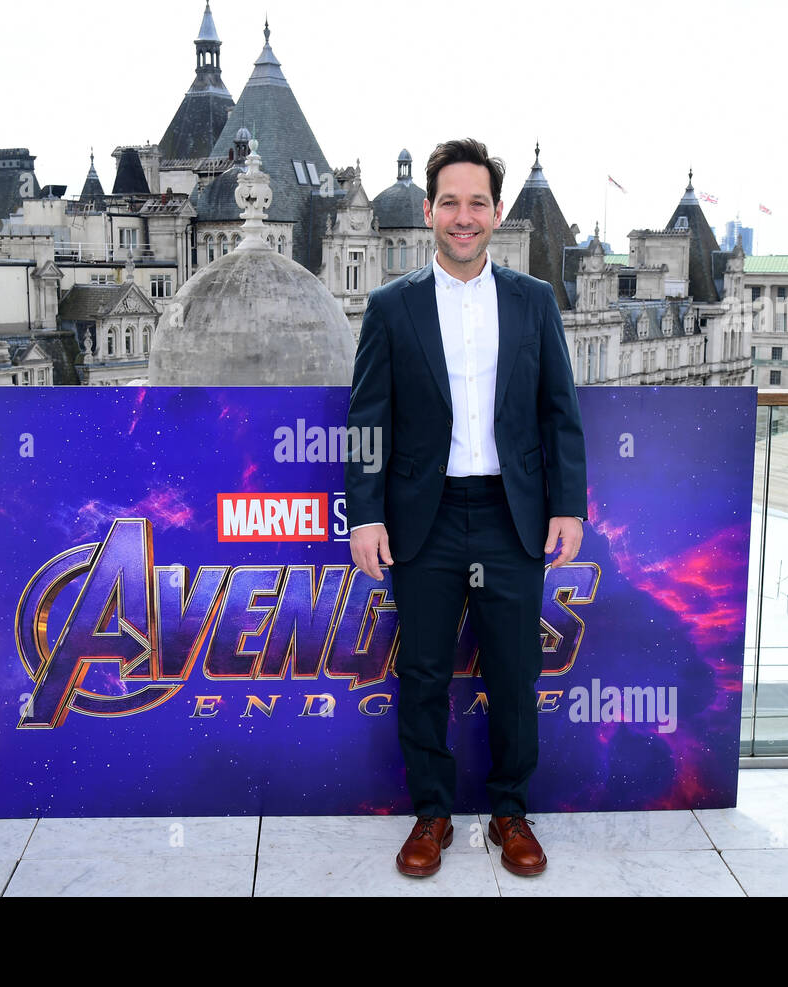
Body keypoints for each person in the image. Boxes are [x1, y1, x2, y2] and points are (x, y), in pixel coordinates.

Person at [344, 138, 587, 879]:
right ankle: (433, 815)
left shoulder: (533, 301)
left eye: (476, 201)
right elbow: (366, 422)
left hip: (513, 513)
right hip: (427, 516)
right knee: (420, 672)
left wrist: (568, 504)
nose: (463, 215)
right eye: (449, 201)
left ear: (496, 212)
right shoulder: (391, 307)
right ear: (428, 211)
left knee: (514, 672)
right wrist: (365, 513)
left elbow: (559, 412)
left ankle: (510, 811)